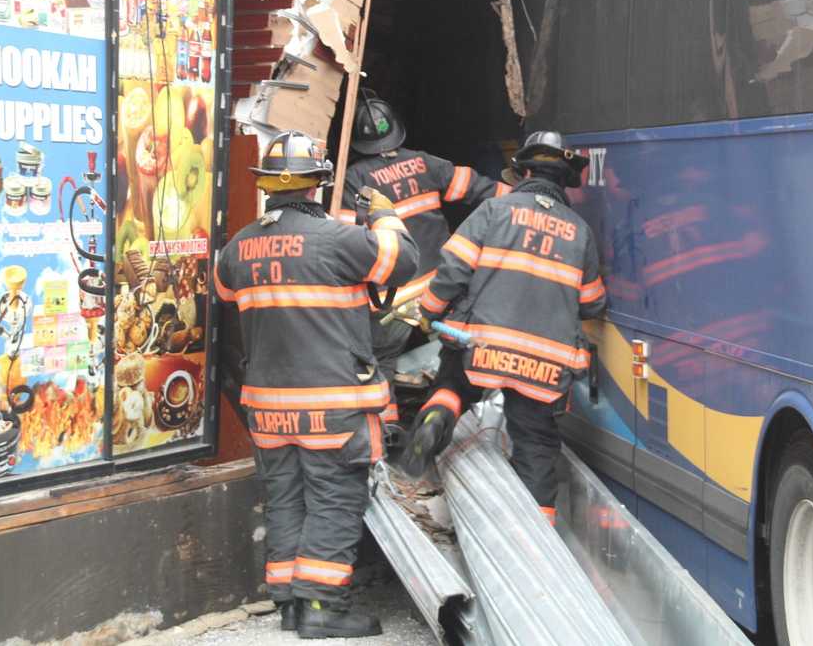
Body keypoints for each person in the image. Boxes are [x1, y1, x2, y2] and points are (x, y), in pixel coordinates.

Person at [215, 130, 418, 639]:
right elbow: (403, 261)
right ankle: (323, 611)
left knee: (285, 498)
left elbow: (223, 287)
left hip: (268, 409)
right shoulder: (339, 239)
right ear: (317, 186)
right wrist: (385, 214)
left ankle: (288, 605)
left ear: (267, 186)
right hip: (333, 406)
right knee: (332, 500)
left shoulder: (237, 248)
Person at [401, 131, 607, 524]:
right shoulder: (580, 232)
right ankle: (539, 535)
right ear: (564, 181)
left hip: (482, 344)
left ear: (523, 171)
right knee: (536, 444)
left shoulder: (493, 212)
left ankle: (437, 418)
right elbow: (592, 302)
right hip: (545, 363)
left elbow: (452, 271)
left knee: (452, 385)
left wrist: (429, 311)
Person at [337, 92, 509, 425]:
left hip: (392, 302)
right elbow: (484, 191)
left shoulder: (354, 179)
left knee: (377, 361)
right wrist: (525, 200)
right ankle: (456, 420)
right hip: (441, 290)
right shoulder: (425, 163)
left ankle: (386, 431)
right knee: (456, 358)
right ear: (397, 130)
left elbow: (348, 245)